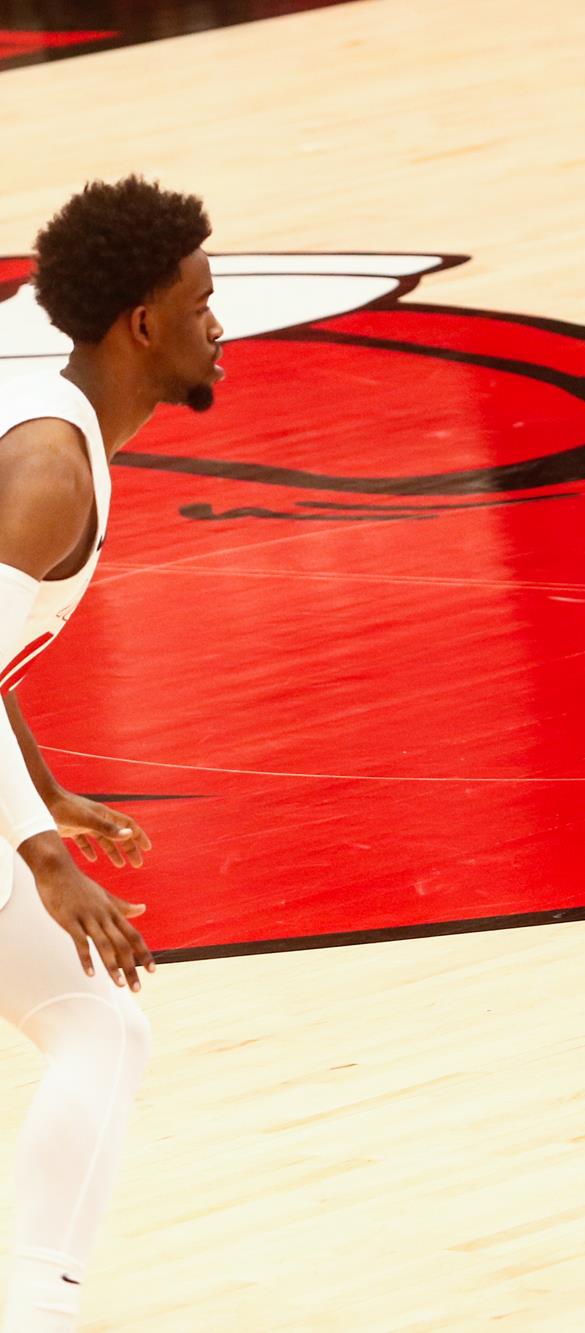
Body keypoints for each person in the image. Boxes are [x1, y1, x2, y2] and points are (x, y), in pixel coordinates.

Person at [0, 176, 223, 1332]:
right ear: (143, 324)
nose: (218, 324)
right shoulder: (51, 474)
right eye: (201, 302)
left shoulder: (59, 436)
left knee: (101, 1026)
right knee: (99, 1025)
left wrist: (46, 791)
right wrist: (44, 857)